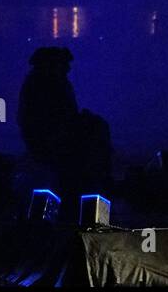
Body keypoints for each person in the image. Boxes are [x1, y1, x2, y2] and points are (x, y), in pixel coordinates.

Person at [17, 46, 112, 195]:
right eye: (64, 64)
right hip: (51, 141)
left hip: (54, 138)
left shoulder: (46, 82)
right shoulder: (44, 84)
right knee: (97, 129)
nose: (68, 69)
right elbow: (50, 119)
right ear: (53, 64)